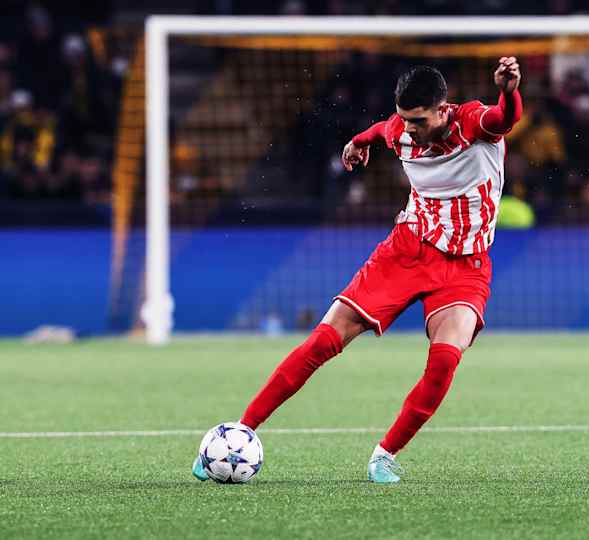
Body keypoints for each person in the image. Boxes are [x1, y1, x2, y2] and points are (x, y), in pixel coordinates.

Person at [192, 57, 522, 484]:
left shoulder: (473, 123)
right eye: (404, 119)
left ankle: (385, 455)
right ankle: (240, 431)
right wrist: (357, 142)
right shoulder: (401, 130)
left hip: (465, 265)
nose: (409, 129)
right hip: (406, 249)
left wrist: (509, 91)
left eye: (418, 121)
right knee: (324, 340)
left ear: (443, 110)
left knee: (443, 361)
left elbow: (505, 118)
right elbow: (380, 130)